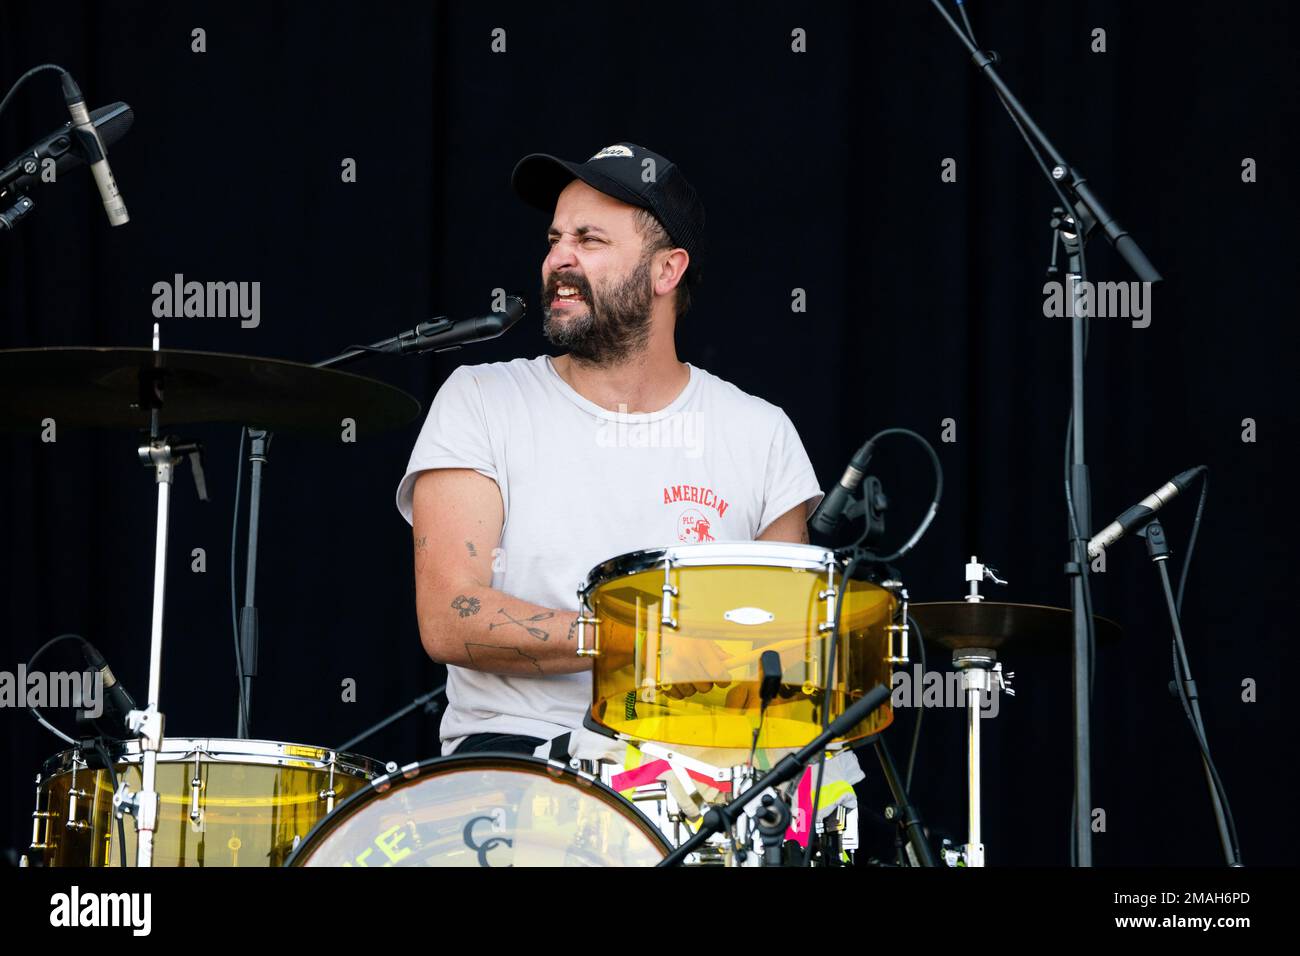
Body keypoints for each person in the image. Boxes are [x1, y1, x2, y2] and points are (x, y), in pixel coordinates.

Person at [395, 142, 823, 757]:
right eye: (553, 238)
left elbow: (790, 650)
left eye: (589, 240)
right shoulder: (481, 399)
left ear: (666, 271)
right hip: (520, 760)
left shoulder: (761, 433)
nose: (557, 259)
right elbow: (449, 617)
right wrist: (644, 643)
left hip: (700, 774)